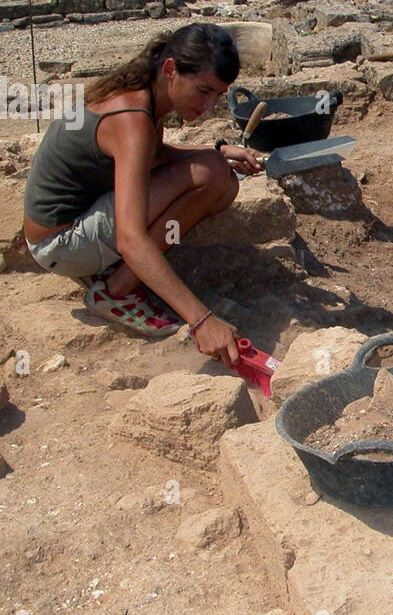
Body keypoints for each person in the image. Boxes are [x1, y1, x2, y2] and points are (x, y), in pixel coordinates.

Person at [22, 24, 261, 363]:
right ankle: (116, 291)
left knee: (219, 177)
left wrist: (216, 150)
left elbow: (152, 155)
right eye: (203, 91)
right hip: (61, 244)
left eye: (218, 96)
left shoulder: (144, 95)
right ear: (171, 70)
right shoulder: (131, 118)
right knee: (209, 175)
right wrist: (201, 320)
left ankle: (120, 273)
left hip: (78, 220)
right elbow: (131, 239)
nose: (209, 106)